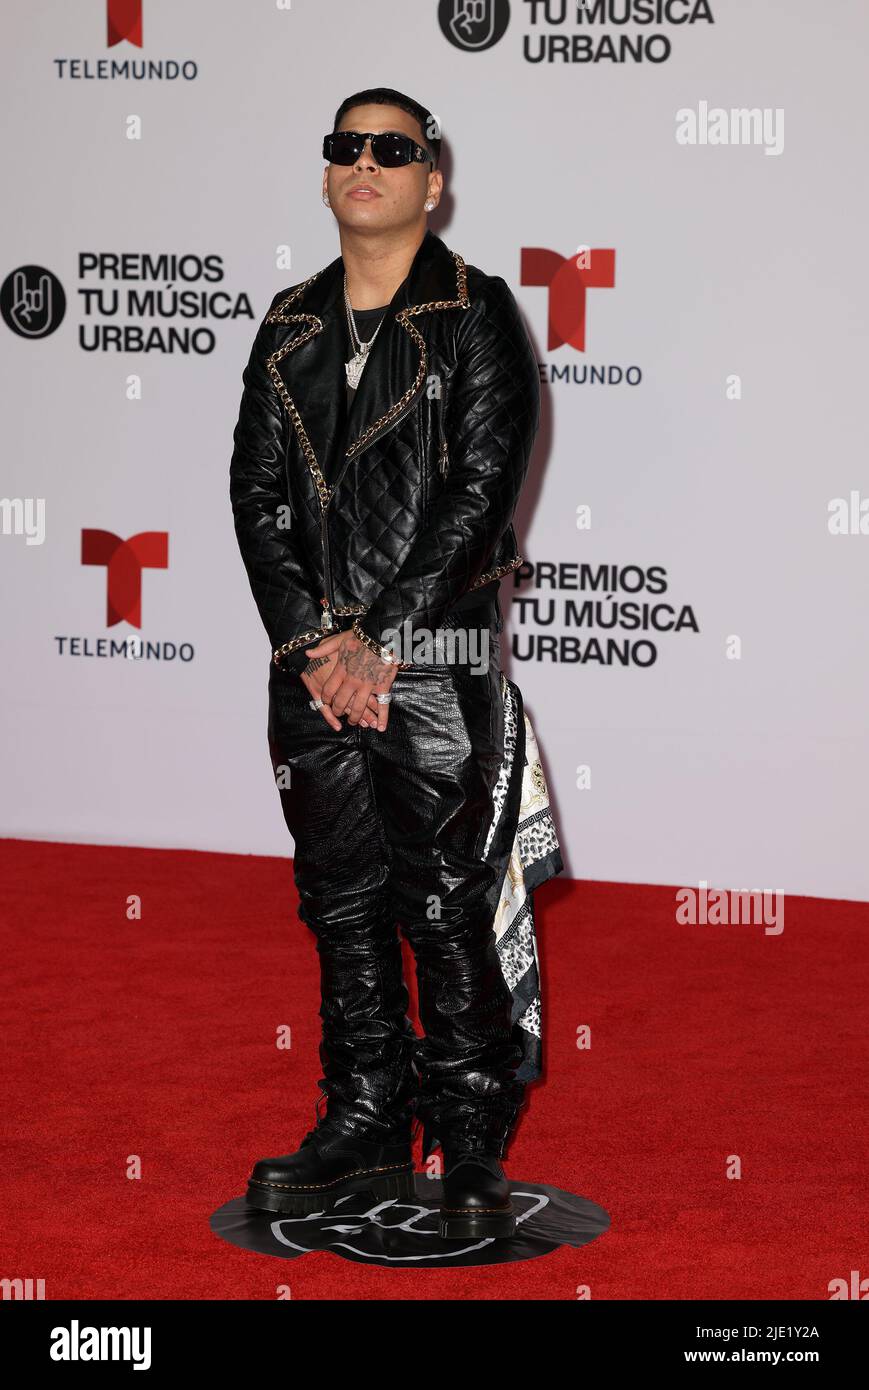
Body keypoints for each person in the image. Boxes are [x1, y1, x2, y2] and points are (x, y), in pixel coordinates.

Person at [230, 87, 545, 1240]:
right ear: (326, 175)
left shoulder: (474, 312)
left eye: (392, 148)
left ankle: (468, 1134)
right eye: (346, 146)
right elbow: (253, 491)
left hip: (432, 655)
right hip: (312, 666)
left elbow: (478, 492)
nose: (365, 162)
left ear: (430, 181)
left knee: (444, 897)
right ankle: (363, 1115)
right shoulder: (288, 323)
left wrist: (381, 638)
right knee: (339, 899)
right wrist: (314, 644)